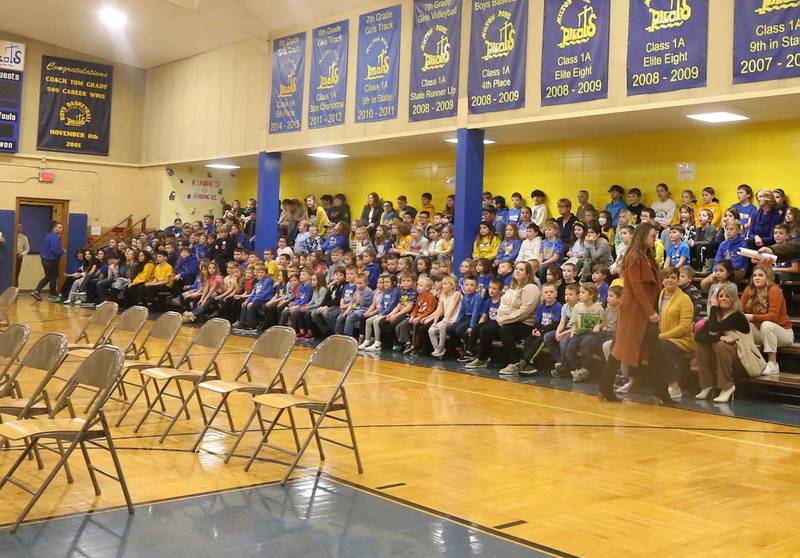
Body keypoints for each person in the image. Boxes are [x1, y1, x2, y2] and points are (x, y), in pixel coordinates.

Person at [598, 222, 674, 405]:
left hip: (646, 310)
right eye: (651, 236)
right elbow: (636, 287)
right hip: (634, 311)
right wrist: (650, 312)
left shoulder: (648, 256)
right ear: (642, 236)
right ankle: (606, 388)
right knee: (620, 350)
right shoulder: (633, 256)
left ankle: (661, 392)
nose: (654, 238)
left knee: (653, 352)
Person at [695, 283, 764, 403]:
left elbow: (714, 328)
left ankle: (727, 387)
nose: (723, 298)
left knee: (722, 346)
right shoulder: (716, 316)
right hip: (723, 359)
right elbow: (699, 336)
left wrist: (713, 308)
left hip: (744, 361)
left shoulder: (737, 316)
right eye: (721, 296)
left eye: (727, 296)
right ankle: (707, 385)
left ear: (734, 299)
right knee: (702, 345)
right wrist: (719, 338)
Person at [466, 261, 540, 372]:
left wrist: (504, 319)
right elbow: (502, 306)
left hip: (524, 324)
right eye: (516, 269)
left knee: (505, 331)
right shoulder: (511, 287)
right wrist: (501, 318)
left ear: (528, 273)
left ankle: (515, 362)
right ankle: (482, 358)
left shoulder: (531, 288)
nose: (517, 271)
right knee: (484, 328)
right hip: (506, 320)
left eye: (521, 269)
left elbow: (524, 311)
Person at [741, 265, 794, 375]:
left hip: (783, 333)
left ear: (768, 277)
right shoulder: (749, 290)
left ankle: (773, 364)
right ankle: (753, 360)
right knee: (743, 324)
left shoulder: (774, 290)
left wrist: (751, 317)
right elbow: (739, 310)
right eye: (754, 275)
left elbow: (773, 317)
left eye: (760, 275)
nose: (756, 278)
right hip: (762, 332)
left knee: (767, 325)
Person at [656, 267, 696, 400]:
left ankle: (674, 384)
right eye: (666, 277)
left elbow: (685, 327)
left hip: (682, 340)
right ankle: (633, 381)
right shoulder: (659, 295)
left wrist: (663, 336)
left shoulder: (685, 299)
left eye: (673, 277)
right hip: (663, 339)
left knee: (660, 346)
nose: (669, 280)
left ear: (678, 280)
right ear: (662, 280)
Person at [31, 221, 64, 301]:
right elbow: (54, 250)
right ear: (54, 228)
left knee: (52, 277)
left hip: (45, 259)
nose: (61, 229)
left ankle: (52, 294)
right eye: (59, 227)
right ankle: (37, 291)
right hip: (51, 260)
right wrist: (62, 251)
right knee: (50, 276)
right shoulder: (55, 238)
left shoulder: (48, 236)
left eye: (62, 227)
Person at [15, 222, 29, 287]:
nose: (19, 228)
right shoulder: (11, 236)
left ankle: (15, 291)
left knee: (16, 275)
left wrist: (22, 254)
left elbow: (27, 249)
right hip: (10, 257)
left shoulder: (24, 237)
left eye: (20, 227)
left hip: (18, 257)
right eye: (18, 227)